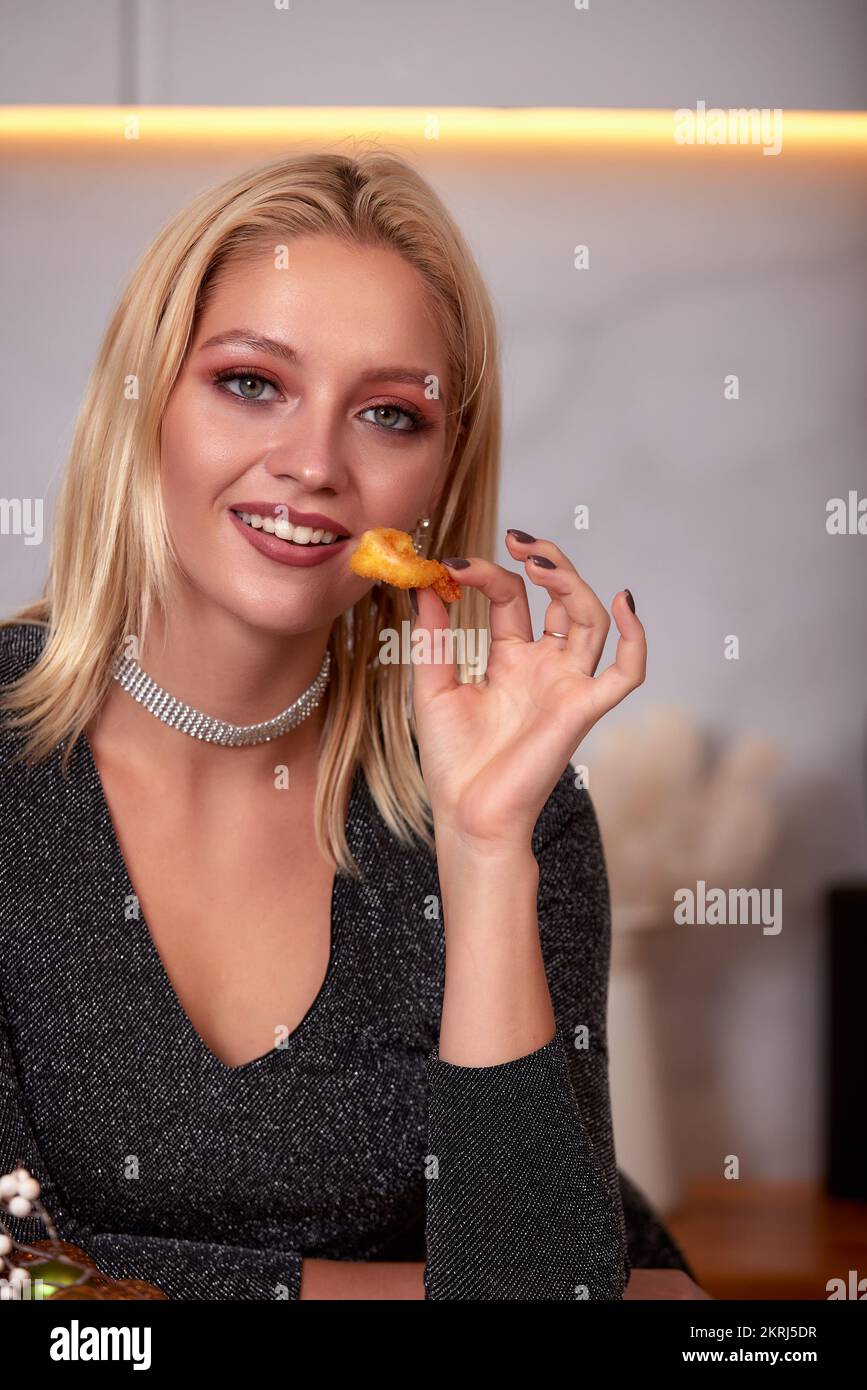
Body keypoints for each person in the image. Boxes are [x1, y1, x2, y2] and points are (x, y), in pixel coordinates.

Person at [0, 146, 698, 1300]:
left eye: (387, 413)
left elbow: (540, 1290)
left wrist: (483, 848)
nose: (315, 463)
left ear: (442, 469)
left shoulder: (508, 803)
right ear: (147, 401)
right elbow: (20, 1279)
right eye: (251, 382)